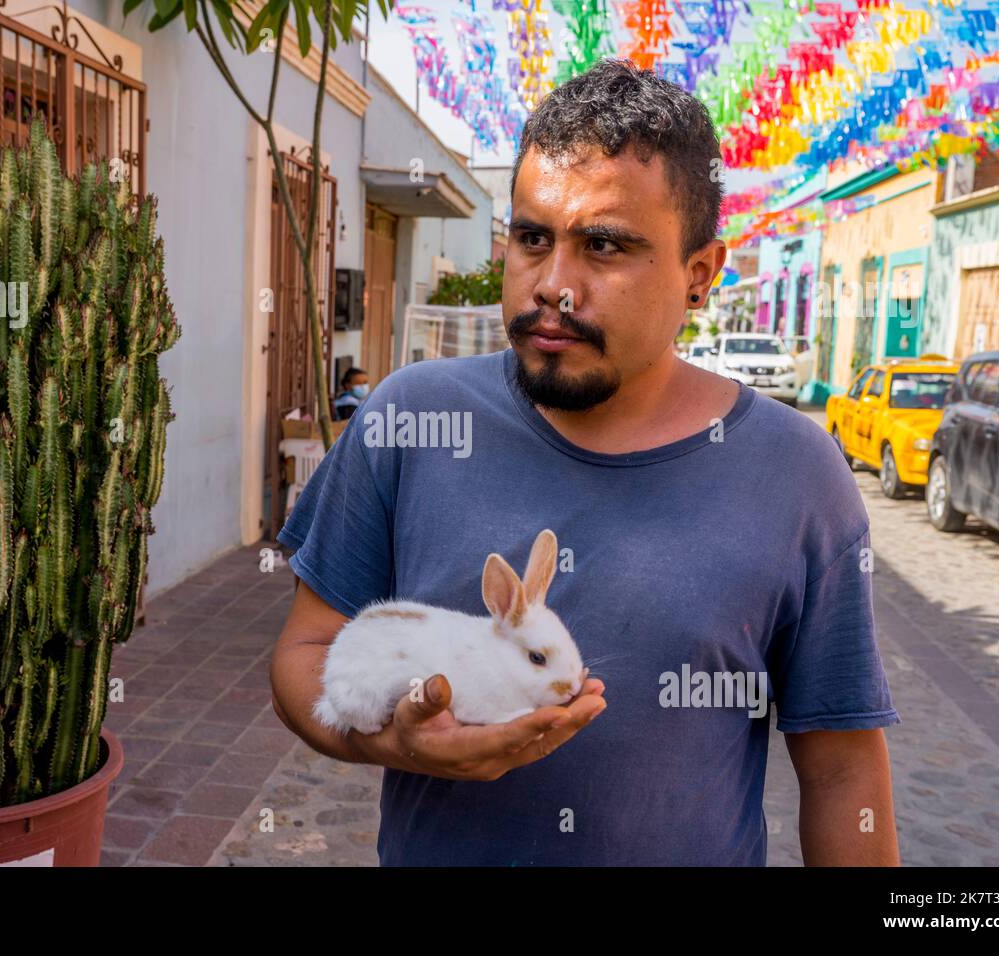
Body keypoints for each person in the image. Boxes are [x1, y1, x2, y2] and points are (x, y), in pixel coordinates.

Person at [271, 59, 900, 866]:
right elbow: (303, 657)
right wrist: (394, 744)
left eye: (603, 246)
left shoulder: (799, 474)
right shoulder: (410, 418)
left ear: (700, 274)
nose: (553, 287)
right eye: (532, 238)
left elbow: (845, 768)